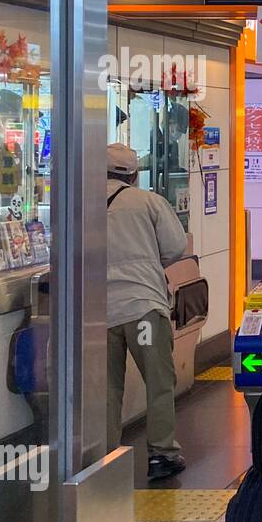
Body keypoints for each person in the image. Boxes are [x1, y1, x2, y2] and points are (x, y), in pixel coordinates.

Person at [106, 143, 190, 481]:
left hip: (100, 312)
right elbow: (175, 246)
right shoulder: (148, 201)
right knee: (158, 380)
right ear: (133, 174)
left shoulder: (78, 202)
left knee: (107, 387)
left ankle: (105, 456)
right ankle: (161, 453)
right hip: (143, 308)